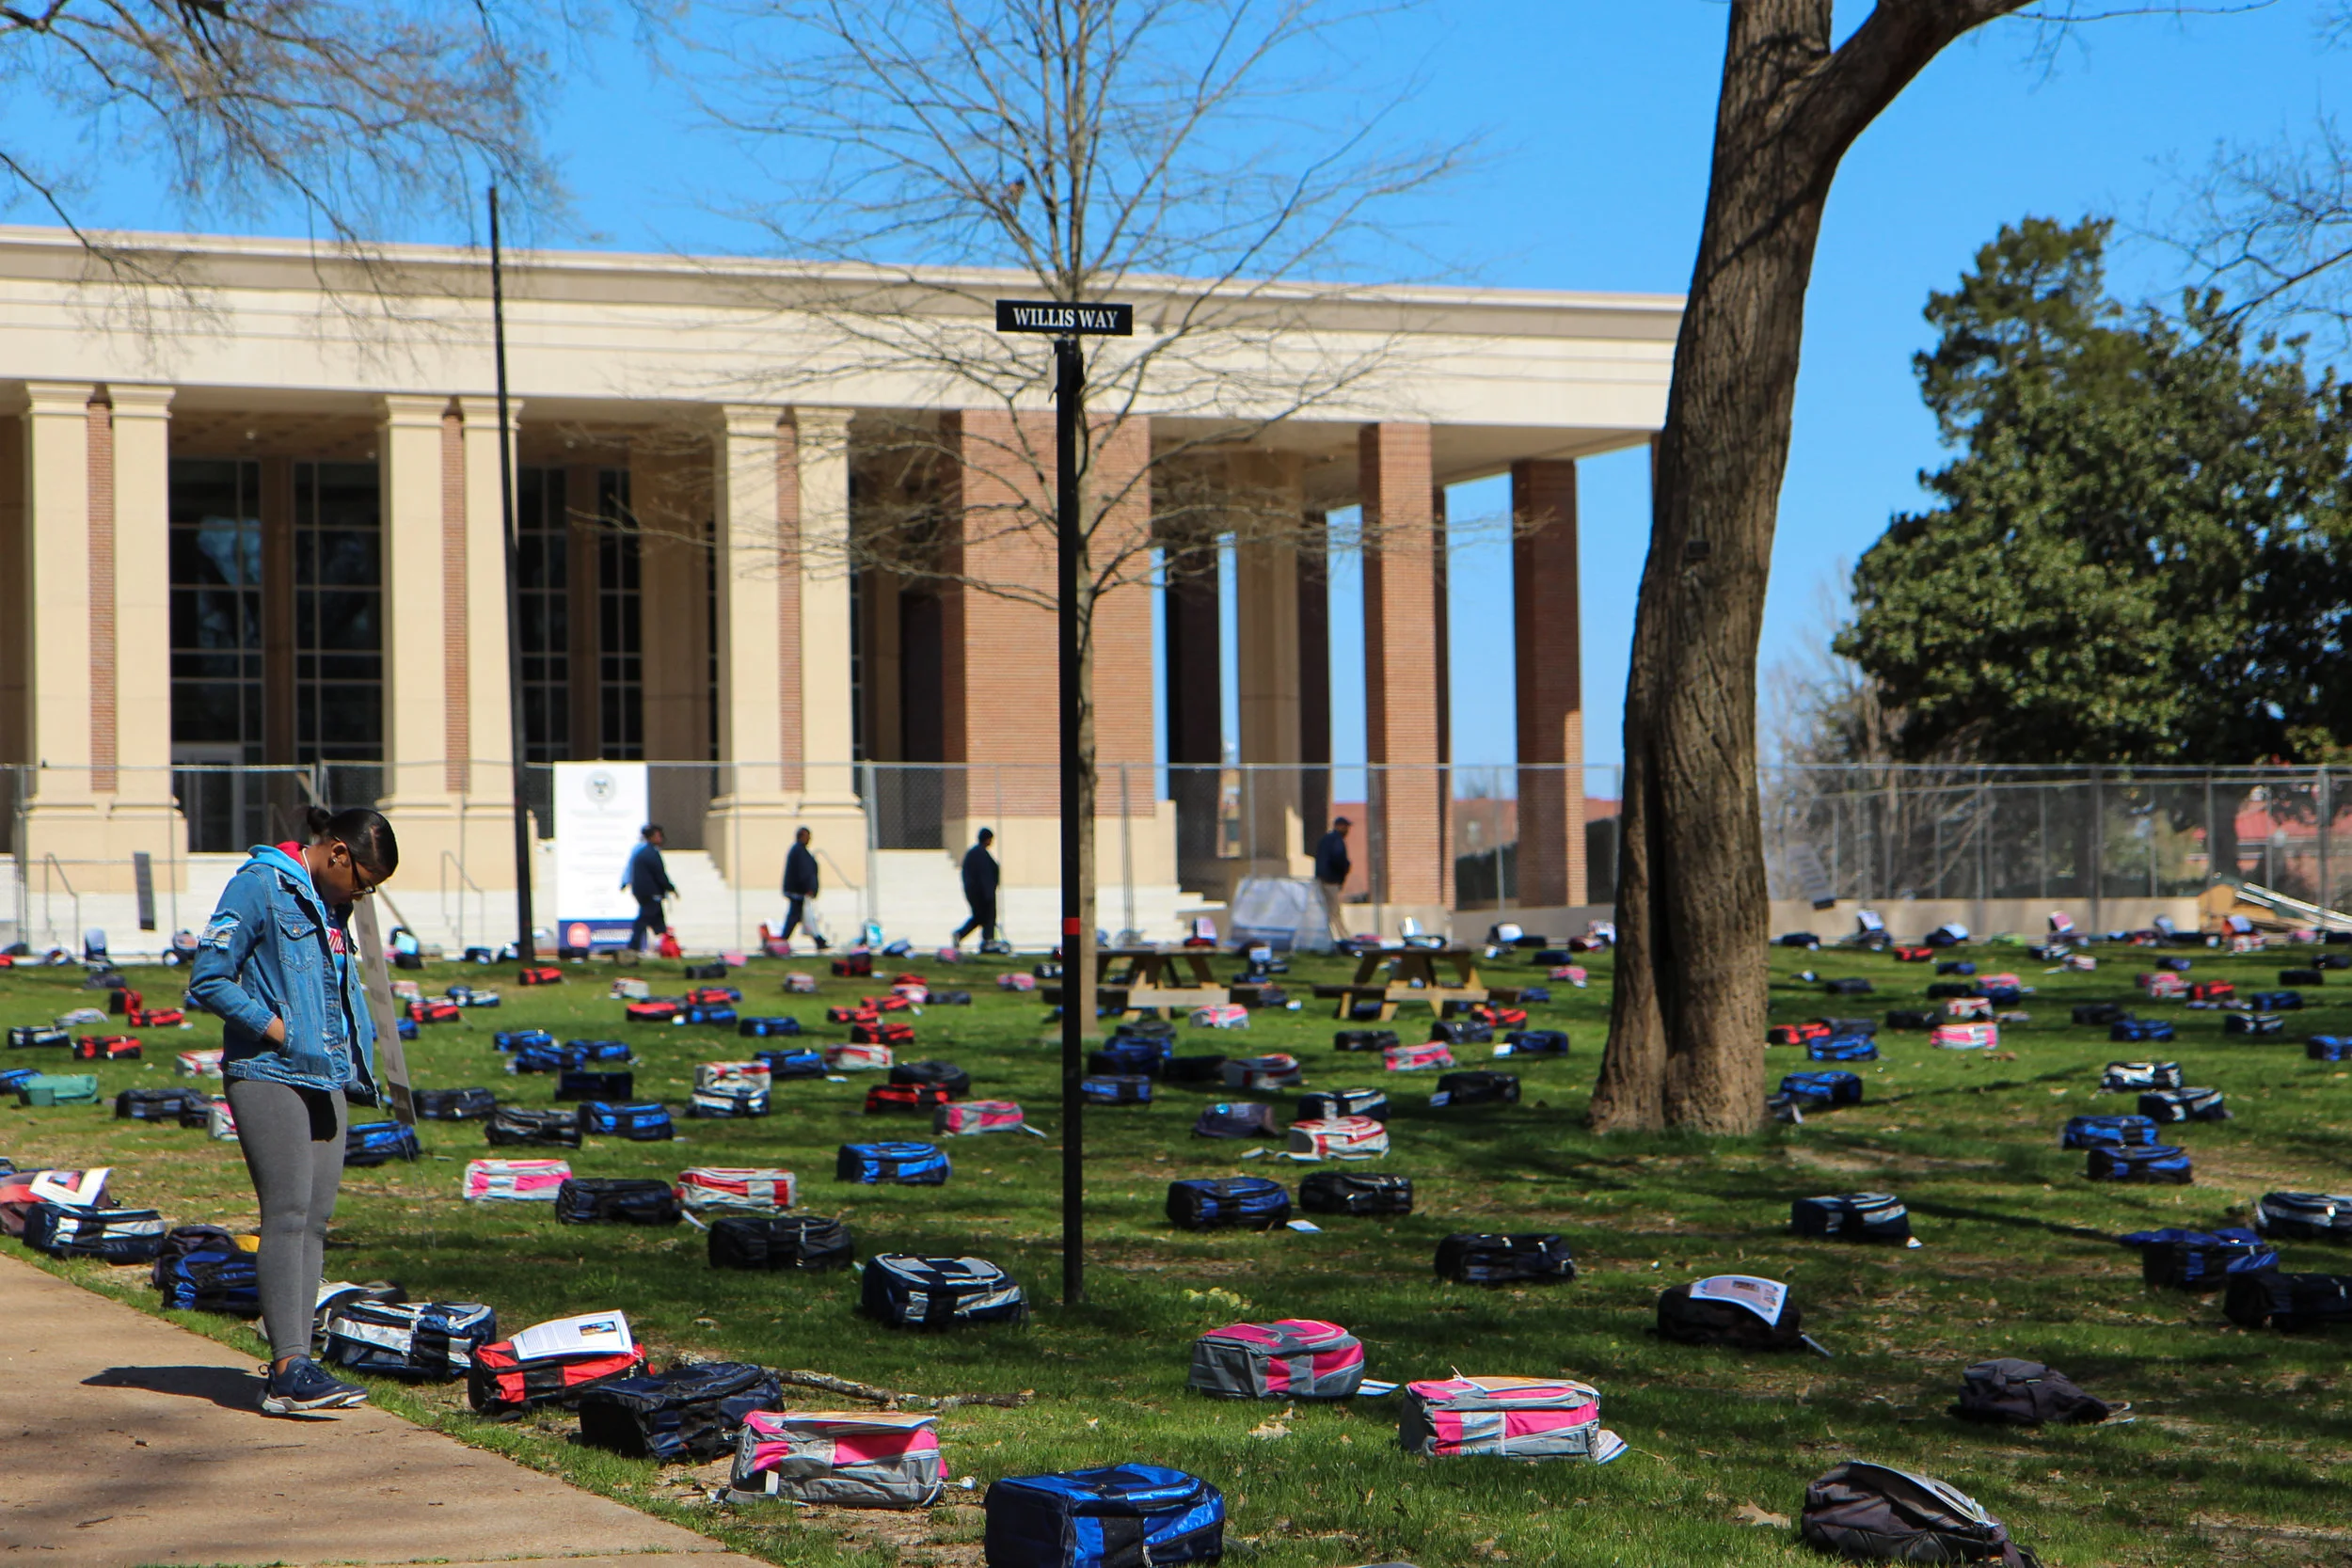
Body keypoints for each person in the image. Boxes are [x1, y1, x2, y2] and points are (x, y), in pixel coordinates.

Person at [186, 805, 397, 1416]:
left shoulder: (333, 905)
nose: (365, 891)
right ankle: (286, 1369)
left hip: (326, 1075)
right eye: (364, 878)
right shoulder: (260, 883)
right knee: (286, 1210)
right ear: (336, 853)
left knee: (315, 1218)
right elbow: (209, 976)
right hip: (268, 1071)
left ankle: (300, 1361)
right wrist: (276, 1029)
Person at [623, 824, 675, 954]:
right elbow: (660, 874)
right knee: (644, 918)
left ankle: (665, 944)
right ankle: (633, 946)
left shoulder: (643, 852)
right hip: (650, 893)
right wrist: (670, 888)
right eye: (658, 835)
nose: (661, 838)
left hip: (645, 892)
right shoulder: (650, 853)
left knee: (658, 920)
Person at [781, 826, 826, 949]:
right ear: (801, 837)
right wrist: (808, 887)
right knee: (797, 917)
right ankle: (782, 940)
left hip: (797, 891)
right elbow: (804, 872)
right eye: (807, 836)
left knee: (802, 917)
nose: (809, 839)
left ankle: (818, 940)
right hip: (798, 892)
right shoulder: (799, 852)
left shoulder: (799, 851)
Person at [955, 827, 1000, 947]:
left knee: (980, 917)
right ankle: (988, 941)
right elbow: (985, 875)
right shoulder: (980, 854)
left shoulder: (975, 853)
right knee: (987, 916)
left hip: (977, 893)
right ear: (987, 839)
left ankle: (961, 934)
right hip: (982, 894)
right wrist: (988, 893)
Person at [1313, 816, 1353, 942]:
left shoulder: (1325, 839)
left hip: (1321, 879)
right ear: (1339, 826)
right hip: (1330, 880)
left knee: (1326, 911)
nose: (1347, 830)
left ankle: (1328, 938)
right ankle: (1343, 938)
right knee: (1334, 911)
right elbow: (1339, 860)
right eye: (1345, 827)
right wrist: (1345, 869)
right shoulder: (1336, 840)